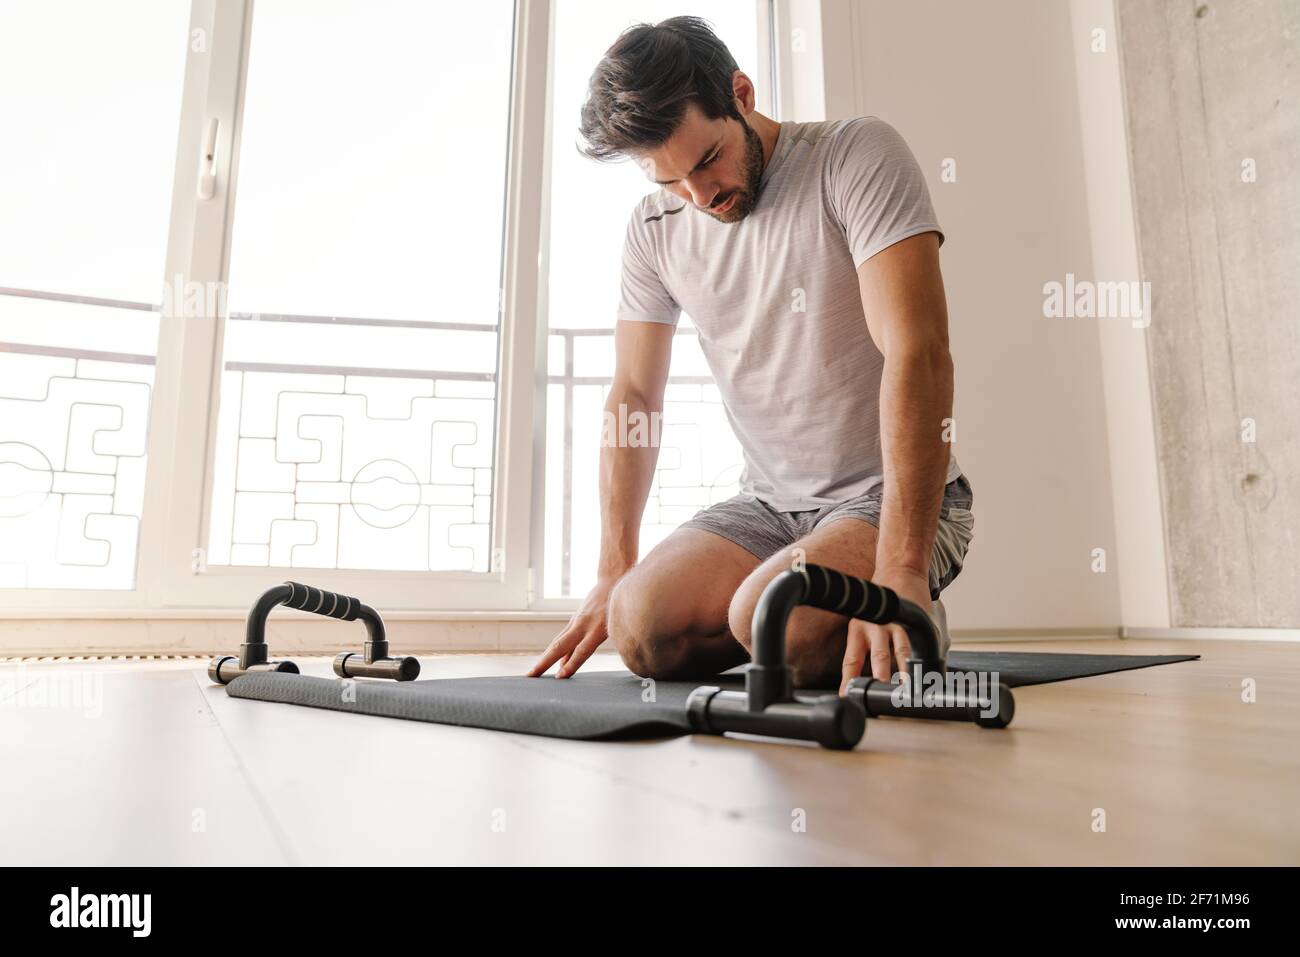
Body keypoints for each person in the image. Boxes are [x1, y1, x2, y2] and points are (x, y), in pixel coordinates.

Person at [529, 16, 973, 695]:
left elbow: (918, 350)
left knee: (777, 625)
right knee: (639, 624)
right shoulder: (655, 231)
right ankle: (791, 616)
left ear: (741, 92)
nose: (700, 197)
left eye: (707, 160)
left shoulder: (855, 156)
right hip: (767, 506)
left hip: (894, 497)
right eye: (669, 181)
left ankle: (908, 618)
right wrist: (612, 566)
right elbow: (634, 395)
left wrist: (903, 563)